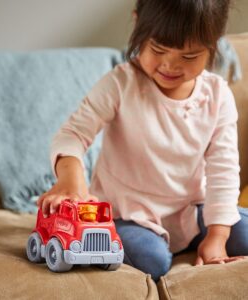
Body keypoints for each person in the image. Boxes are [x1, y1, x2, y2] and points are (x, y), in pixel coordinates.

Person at [37, 0, 248, 281]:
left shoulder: (217, 95)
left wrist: (217, 236)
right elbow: (73, 134)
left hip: (190, 211)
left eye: (189, 56)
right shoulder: (121, 84)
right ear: (137, 24)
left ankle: (195, 239)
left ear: (214, 44)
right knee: (153, 259)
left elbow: (224, 170)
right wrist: (71, 181)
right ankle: (153, 244)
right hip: (128, 214)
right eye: (158, 50)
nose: (170, 65)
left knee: (243, 233)